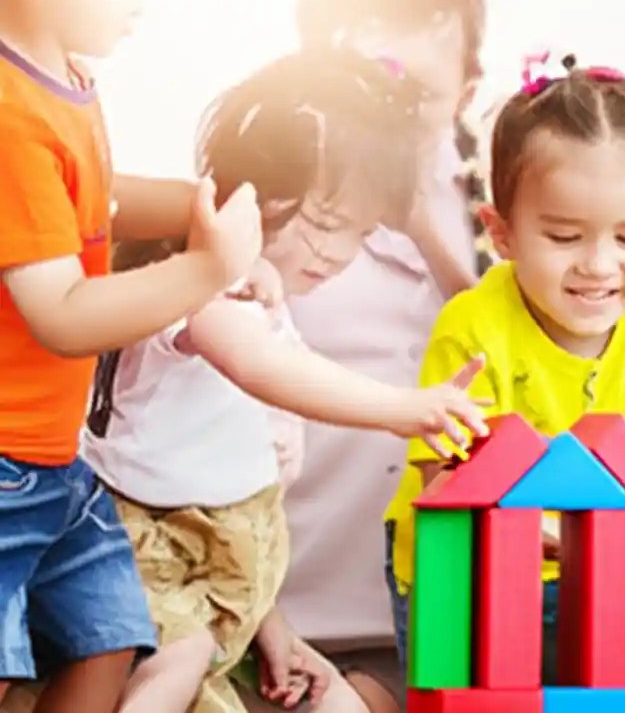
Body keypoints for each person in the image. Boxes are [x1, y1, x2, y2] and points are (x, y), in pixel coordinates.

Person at [77, 49, 491, 713]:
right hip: (140, 556)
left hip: (227, 577)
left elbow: (232, 515)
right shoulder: (203, 279)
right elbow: (262, 369)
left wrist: (271, 623)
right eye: (324, 223)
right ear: (244, 190)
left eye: (358, 233)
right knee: (179, 660)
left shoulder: (267, 301)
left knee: (337, 702)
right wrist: (403, 408)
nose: (336, 251)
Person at [383, 56, 625, 712]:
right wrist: (561, 535)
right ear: (502, 234)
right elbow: (448, 492)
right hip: (468, 576)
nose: (599, 265)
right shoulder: (474, 327)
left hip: (605, 570)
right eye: (565, 236)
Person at [0, 0, 265, 710]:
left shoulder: (63, 77)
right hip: (4, 465)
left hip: (53, 465)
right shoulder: (8, 114)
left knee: (107, 638)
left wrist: (194, 211)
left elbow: (93, 199)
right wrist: (204, 270)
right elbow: (61, 314)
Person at [244, 0, 489, 710]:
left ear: (465, 93)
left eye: (414, 103)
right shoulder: (284, 202)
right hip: (287, 611)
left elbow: (519, 340)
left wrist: (414, 218)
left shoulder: (499, 195)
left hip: (436, 618)